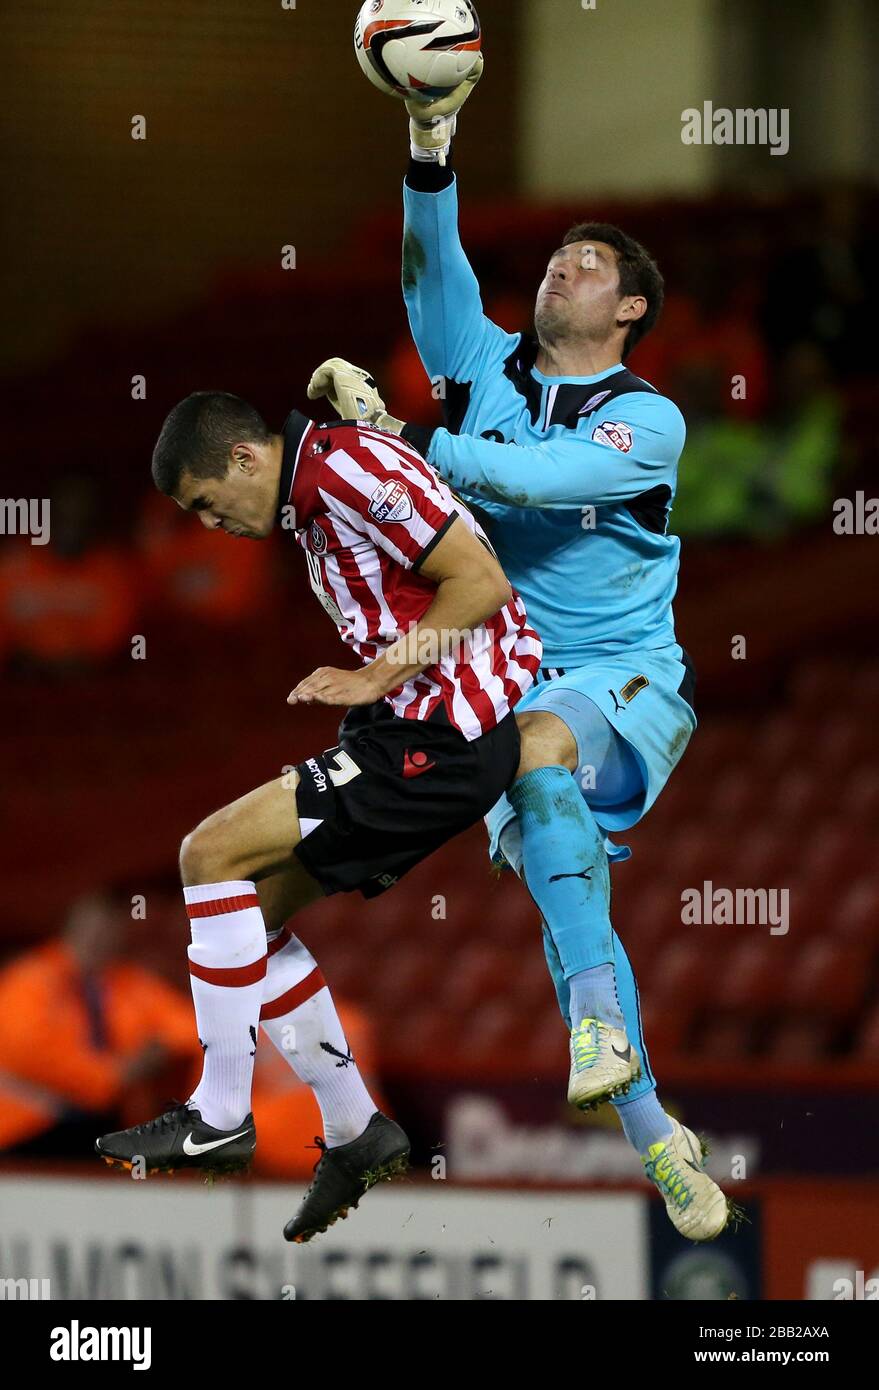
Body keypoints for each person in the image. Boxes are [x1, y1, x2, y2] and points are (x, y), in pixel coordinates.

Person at [305, 56, 732, 1242]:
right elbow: (426, 283)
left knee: (546, 750)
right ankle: (656, 1132)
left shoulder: (650, 419)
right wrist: (428, 149)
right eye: (556, 257)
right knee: (550, 835)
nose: (565, 269)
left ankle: (609, 1049)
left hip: (625, 677)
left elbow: (537, 477)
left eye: (592, 265)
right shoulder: (486, 367)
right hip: (506, 677)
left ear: (631, 309)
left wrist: (407, 439)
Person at [95, 392, 541, 1244]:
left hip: (441, 732)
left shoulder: (347, 469)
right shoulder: (317, 484)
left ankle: (219, 1108)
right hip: (406, 726)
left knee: (208, 854)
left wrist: (373, 678)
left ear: (245, 459)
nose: (207, 523)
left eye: (203, 501)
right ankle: (354, 1128)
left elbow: (480, 582)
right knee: (249, 918)